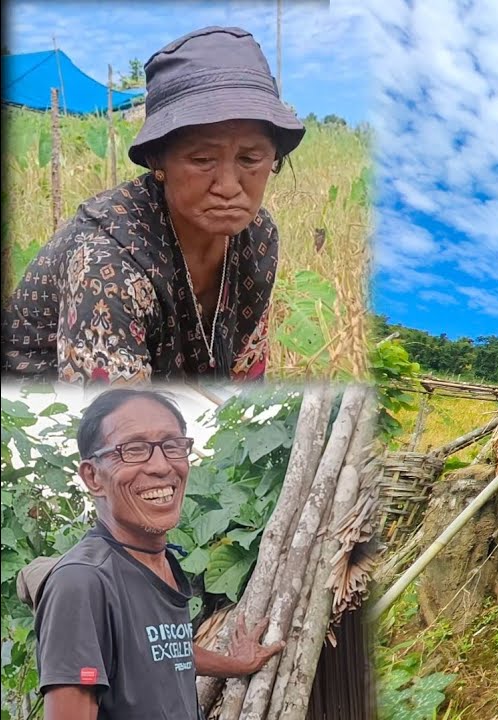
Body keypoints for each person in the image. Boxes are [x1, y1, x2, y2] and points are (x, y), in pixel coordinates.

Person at [3, 26, 305, 383]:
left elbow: (246, 378)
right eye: (203, 159)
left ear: (273, 159)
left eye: (250, 158)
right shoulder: (107, 262)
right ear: (157, 161)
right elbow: (114, 417)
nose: (228, 186)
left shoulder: (258, 236)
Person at [35, 389, 283, 719]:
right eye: (134, 449)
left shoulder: (158, 560)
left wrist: (237, 665)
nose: (161, 466)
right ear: (93, 477)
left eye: (172, 445)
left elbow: (167, 650)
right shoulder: (83, 582)